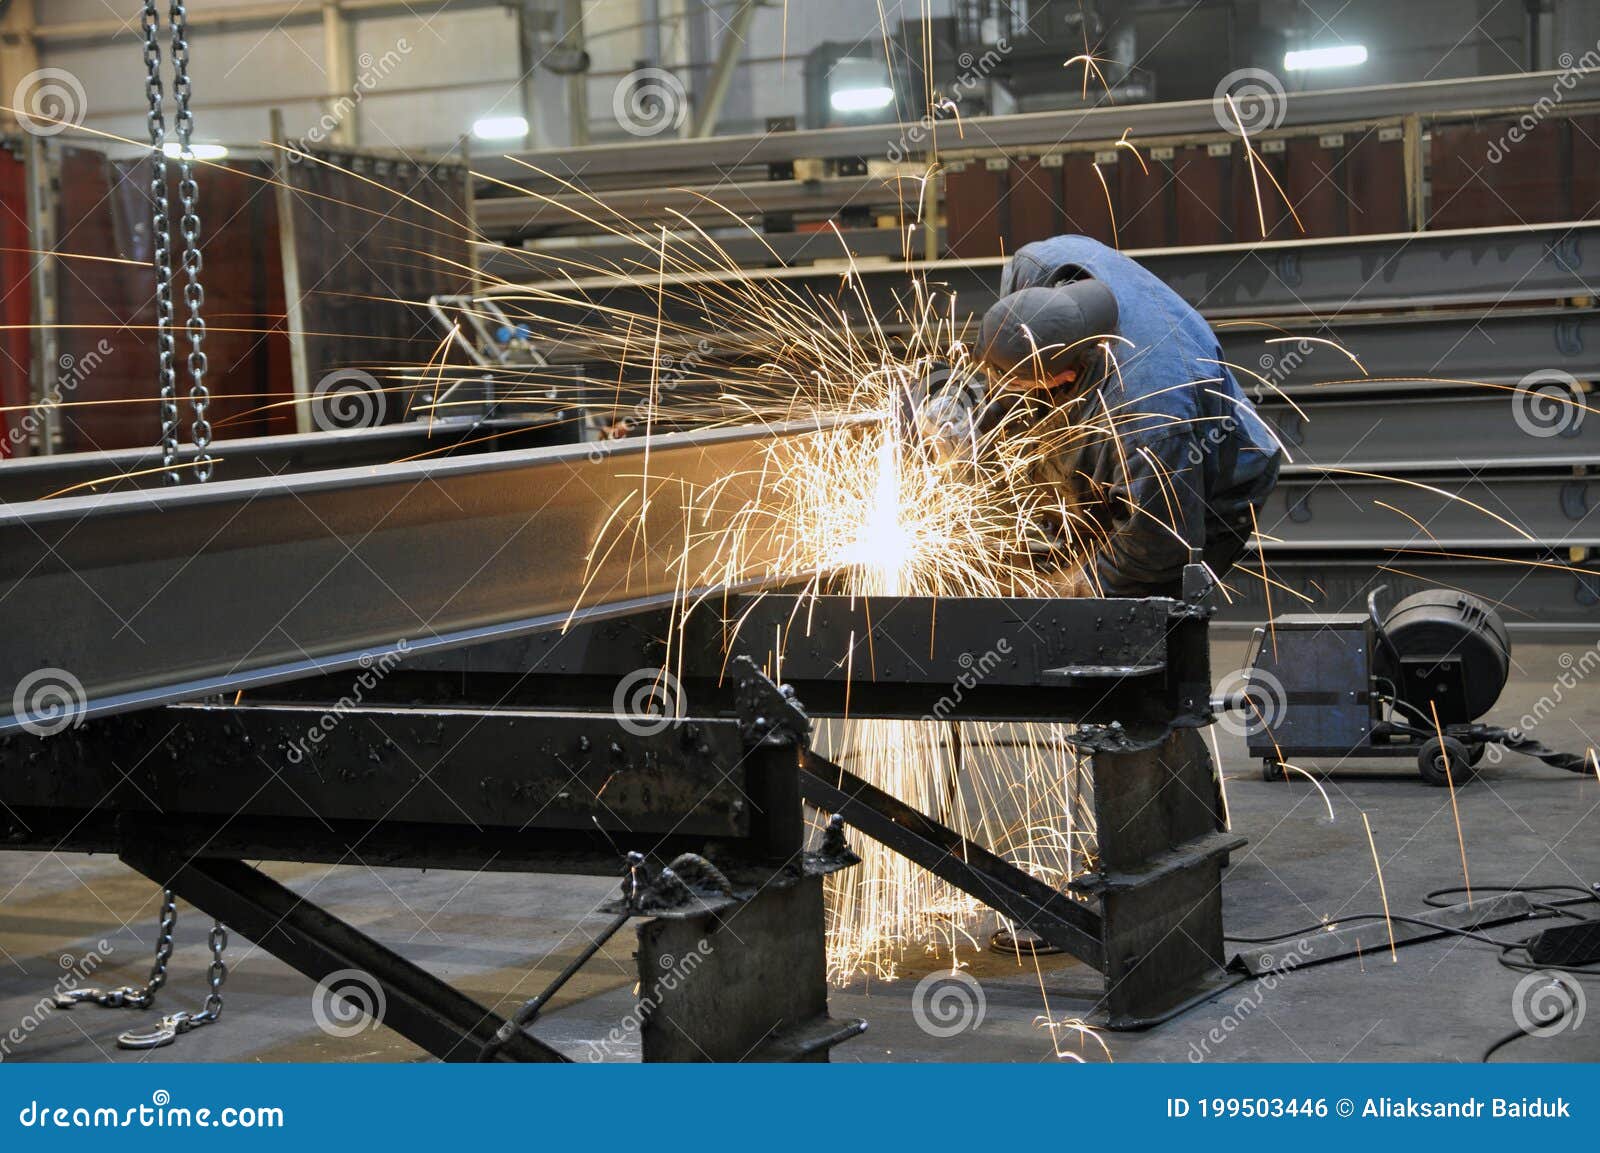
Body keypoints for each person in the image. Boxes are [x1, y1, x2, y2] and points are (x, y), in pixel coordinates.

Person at [971, 234, 1282, 599]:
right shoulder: (1039, 266)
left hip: (1203, 486)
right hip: (1140, 443)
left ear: (1066, 376)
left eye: (1022, 382)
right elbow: (1015, 346)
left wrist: (1060, 593)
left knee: (1132, 617)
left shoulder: (1151, 418)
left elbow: (1156, 548)